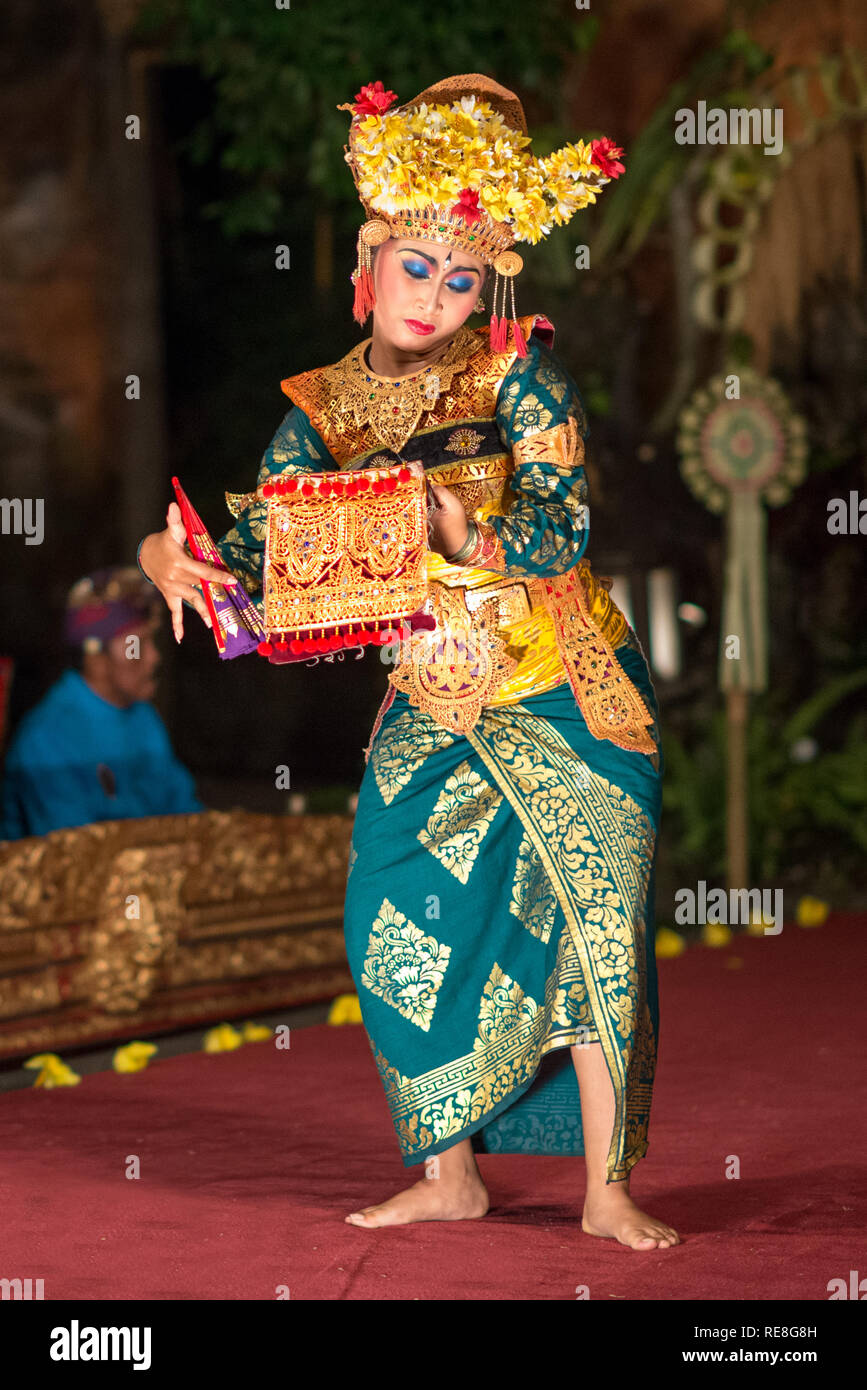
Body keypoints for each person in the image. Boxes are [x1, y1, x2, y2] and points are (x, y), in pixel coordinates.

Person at [138, 73, 679, 1250]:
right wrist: (159, 553)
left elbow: (565, 529)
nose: (435, 294)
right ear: (368, 265)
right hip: (433, 707)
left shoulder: (520, 378)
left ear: (489, 286)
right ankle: (451, 1172)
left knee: (589, 928)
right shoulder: (319, 415)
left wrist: (463, 532)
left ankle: (607, 1189)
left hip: (563, 690)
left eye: (461, 274)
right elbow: (250, 550)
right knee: (394, 922)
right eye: (416, 265)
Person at [1, 567, 202, 839]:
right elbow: (73, 860)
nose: (154, 657)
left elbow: (187, 814)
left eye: (151, 641)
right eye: (137, 644)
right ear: (95, 656)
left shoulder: (144, 719)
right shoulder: (47, 739)